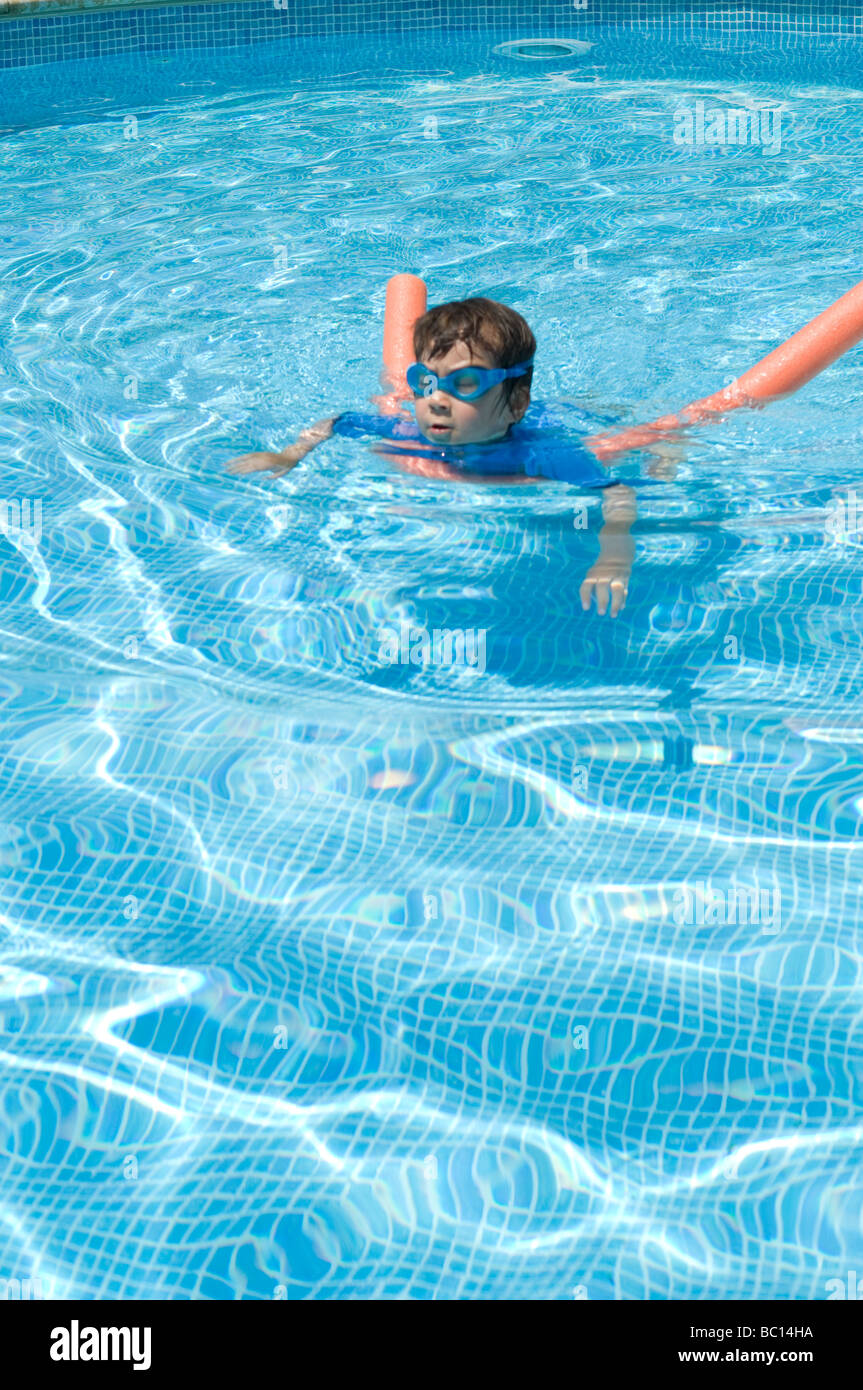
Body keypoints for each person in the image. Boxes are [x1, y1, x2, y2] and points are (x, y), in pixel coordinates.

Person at [226, 296, 662, 617]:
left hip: (547, 421)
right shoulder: (403, 428)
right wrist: (292, 454)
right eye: (427, 382)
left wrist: (613, 555)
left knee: (627, 429)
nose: (437, 400)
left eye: (465, 384)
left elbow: (617, 492)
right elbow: (338, 421)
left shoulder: (542, 454)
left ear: (515, 404)